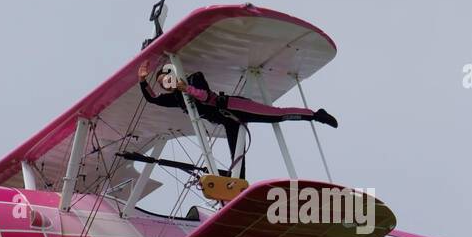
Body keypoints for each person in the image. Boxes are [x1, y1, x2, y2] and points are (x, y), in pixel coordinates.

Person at [136, 61, 336, 178]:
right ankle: (238, 186)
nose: (166, 85)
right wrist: (143, 79)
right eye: (163, 84)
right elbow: (152, 98)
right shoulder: (175, 98)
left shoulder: (194, 79)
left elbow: (205, 96)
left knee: (278, 114)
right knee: (236, 156)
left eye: (167, 79)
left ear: (174, 75)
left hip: (235, 107)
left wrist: (185, 87)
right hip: (228, 121)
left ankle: (316, 114)